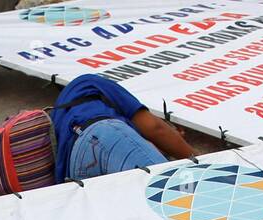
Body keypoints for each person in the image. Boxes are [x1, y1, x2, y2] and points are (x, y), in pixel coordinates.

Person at [52, 74, 197, 183]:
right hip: (102, 135)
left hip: (75, 169)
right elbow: (155, 128)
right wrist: (205, 163)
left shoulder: (61, 112)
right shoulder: (90, 82)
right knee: (172, 192)